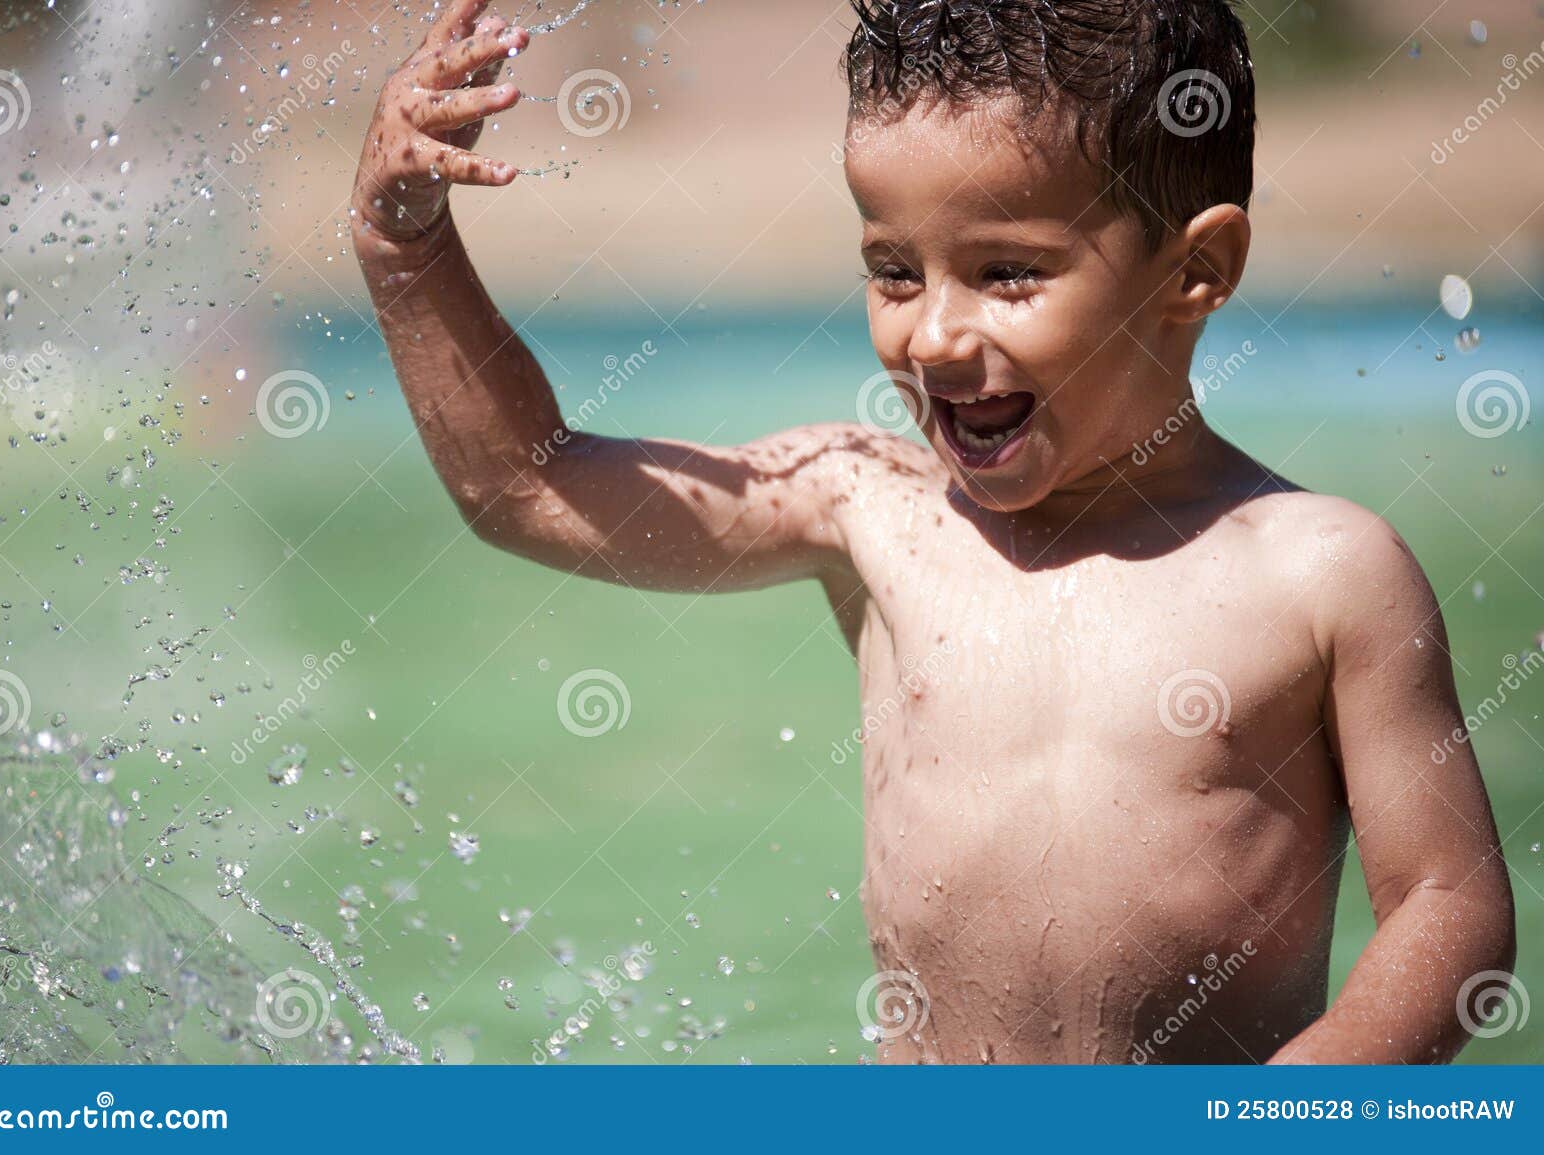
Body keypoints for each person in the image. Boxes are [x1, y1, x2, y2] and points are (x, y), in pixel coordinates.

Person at [350, 0, 1515, 1062]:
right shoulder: (873, 507)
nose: (934, 339)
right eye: (894, 272)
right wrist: (405, 246)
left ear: (1194, 269)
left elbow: (1447, 908)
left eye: (1008, 273)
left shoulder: (1321, 571)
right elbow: (526, 489)